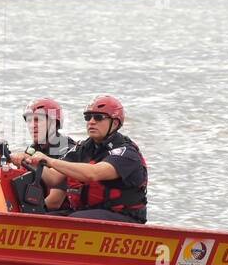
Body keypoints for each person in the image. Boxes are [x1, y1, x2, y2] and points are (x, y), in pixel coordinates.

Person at [25, 95, 147, 223]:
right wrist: (29, 162)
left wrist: (49, 161)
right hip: (89, 213)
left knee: (73, 220)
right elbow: (54, 178)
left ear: (115, 123)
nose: (91, 122)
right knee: (41, 218)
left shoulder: (126, 152)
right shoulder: (84, 148)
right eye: (88, 117)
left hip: (125, 217)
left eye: (98, 117)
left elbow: (92, 174)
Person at [10, 97, 76, 211]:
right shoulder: (34, 148)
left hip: (60, 213)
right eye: (29, 120)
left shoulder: (67, 149)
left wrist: (20, 211)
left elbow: (54, 202)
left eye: (37, 120)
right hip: (36, 205)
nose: (32, 125)